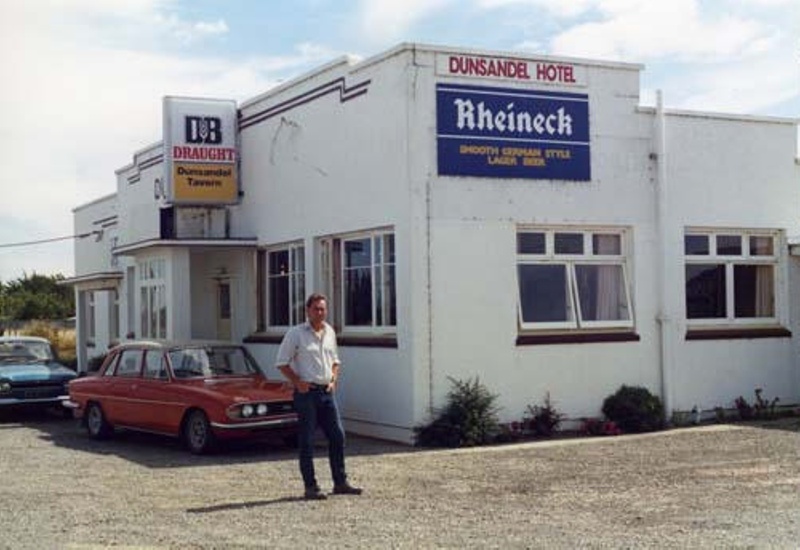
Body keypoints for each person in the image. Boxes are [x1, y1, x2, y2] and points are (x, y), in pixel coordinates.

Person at [275, 293, 363, 500]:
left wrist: (333, 380)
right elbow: (281, 362)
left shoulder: (329, 331)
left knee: (337, 436)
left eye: (323, 309)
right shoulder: (296, 334)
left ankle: (340, 482)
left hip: (326, 393)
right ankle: (311, 487)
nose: (320, 312)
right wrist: (297, 382)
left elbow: (335, 361)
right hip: (307, 394)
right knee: (306, 440)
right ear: (307, 310)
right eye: (316, 309)